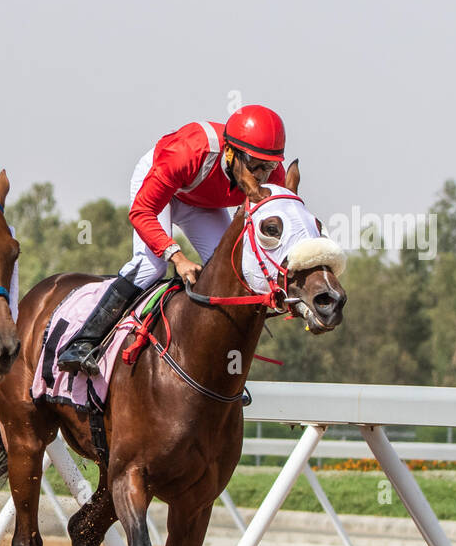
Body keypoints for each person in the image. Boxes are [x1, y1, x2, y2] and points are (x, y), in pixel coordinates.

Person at [56, 105, 289, 375]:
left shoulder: (274, 175)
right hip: (160, 184)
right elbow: (141, 212)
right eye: (255, 165)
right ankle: (83, 342)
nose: (262, 175)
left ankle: (224, 374)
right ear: (230, 152)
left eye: (269, 166)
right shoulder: (189, 150)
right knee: (152, 266)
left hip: (202, 202)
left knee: (231, 270)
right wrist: (176, 257)